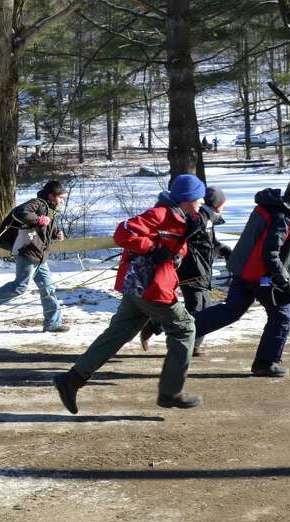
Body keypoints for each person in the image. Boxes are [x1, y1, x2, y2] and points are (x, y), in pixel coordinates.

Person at [53, 174, 207, 414]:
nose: (201, 202)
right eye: (199, 197)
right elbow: (123, 233)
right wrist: (154, 248)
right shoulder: (161, 213)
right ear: (188, 198)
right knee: (185, 328)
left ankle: (72, 380)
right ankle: (170, 392)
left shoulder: (182, 216)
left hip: (142, 288)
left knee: (119, 332)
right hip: (149, 286)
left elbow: (179, 236)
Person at [192, 174, 290, 378]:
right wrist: (286, 282)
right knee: (282, 314)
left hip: (243, 271)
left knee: (231, 310)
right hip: (260, 276)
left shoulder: (269, 205)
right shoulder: (282, 216)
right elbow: (271, 254)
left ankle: (180, 328)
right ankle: (265, 363)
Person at [139, 186, 231, 356]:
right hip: (191, 270)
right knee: (196, 308)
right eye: (224, 203)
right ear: (217, 204)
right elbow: (183, 235)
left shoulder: (208, 219)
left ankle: (162, 329)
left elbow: (208, 244)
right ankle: (164, 332)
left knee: (204, 307)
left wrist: (223, 249)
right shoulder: (199, 218)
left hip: (202, 271)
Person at [0, 180, 68, 333]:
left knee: (48, 288)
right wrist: (39, 220)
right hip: (28, 253)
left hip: (39, 256)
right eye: (61, 197)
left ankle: (53, 323)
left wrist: (55, 233)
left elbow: (42, 230)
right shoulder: (38, 203)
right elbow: (20, 212)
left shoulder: (50, 208)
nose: (63, 200)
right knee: (20, 287)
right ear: (51, 196)